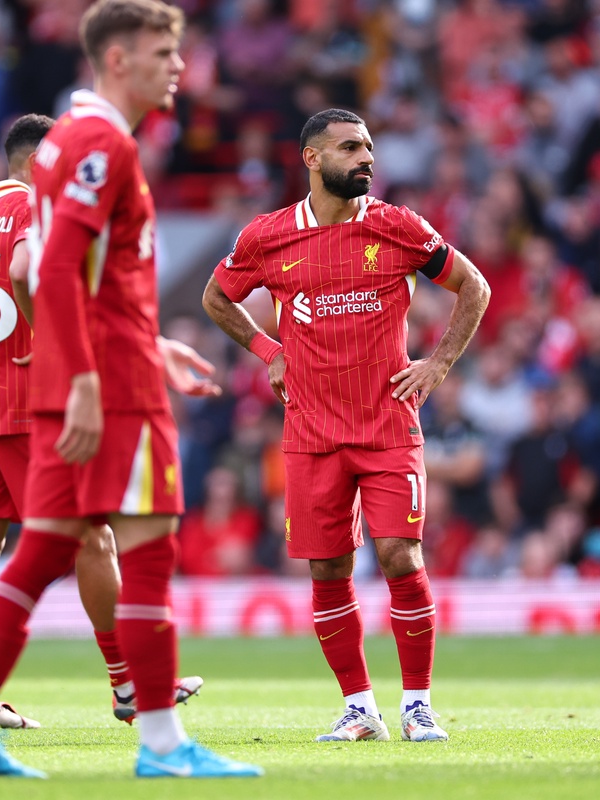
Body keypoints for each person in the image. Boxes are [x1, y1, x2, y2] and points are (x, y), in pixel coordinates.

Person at [0, 0, 262, 780]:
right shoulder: (98, 145)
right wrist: (86, 373)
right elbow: (38, 268)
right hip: (104, 389)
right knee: (140, 544)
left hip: (47, 389)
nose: (179, 67)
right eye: (164, 53)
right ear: (118, 59)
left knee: (38, 551)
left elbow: (45, 274)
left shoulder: (66, 151)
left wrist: (148, 340)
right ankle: (160, 741)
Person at [203, 108, 490, 743]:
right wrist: (268, 351)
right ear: (312, 159)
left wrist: (439, 363)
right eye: (351, 148)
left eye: (369, 148)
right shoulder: (267, 236)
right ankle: (360, 708)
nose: (366, 158)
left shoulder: (397, 226)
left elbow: (474, 286)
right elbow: (216, 297)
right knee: (327, 569)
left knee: (399, 554)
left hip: (387, 424)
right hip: (310, 433)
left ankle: (418, 706)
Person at [0, 112, 199, 731]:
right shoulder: (39, 211)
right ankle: (127, 682)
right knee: (93, 537)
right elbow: (34, 277)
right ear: (38, 163)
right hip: (34, 406)